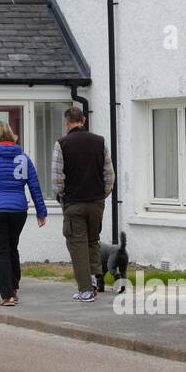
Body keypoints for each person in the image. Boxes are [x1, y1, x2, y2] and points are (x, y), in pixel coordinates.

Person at [0, 120, 47, 307]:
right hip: (18, 210)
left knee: (1, 252)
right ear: (10, 134)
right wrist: (41, 211)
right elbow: (34, 186)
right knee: (12, 248)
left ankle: (7, 296)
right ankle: (13, 288)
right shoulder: (23, 158)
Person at [51, 105, 114, 302]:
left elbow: (57, 178)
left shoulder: (62, 144)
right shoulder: (100, 142)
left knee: (77, 244)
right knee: (93, 241)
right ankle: (95, 279)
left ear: (66, 122)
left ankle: (85, 290)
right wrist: (102, 195)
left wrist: (63, 196)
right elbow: (109, 175)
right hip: (96, 202)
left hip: (74, 203)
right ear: (84, 120)